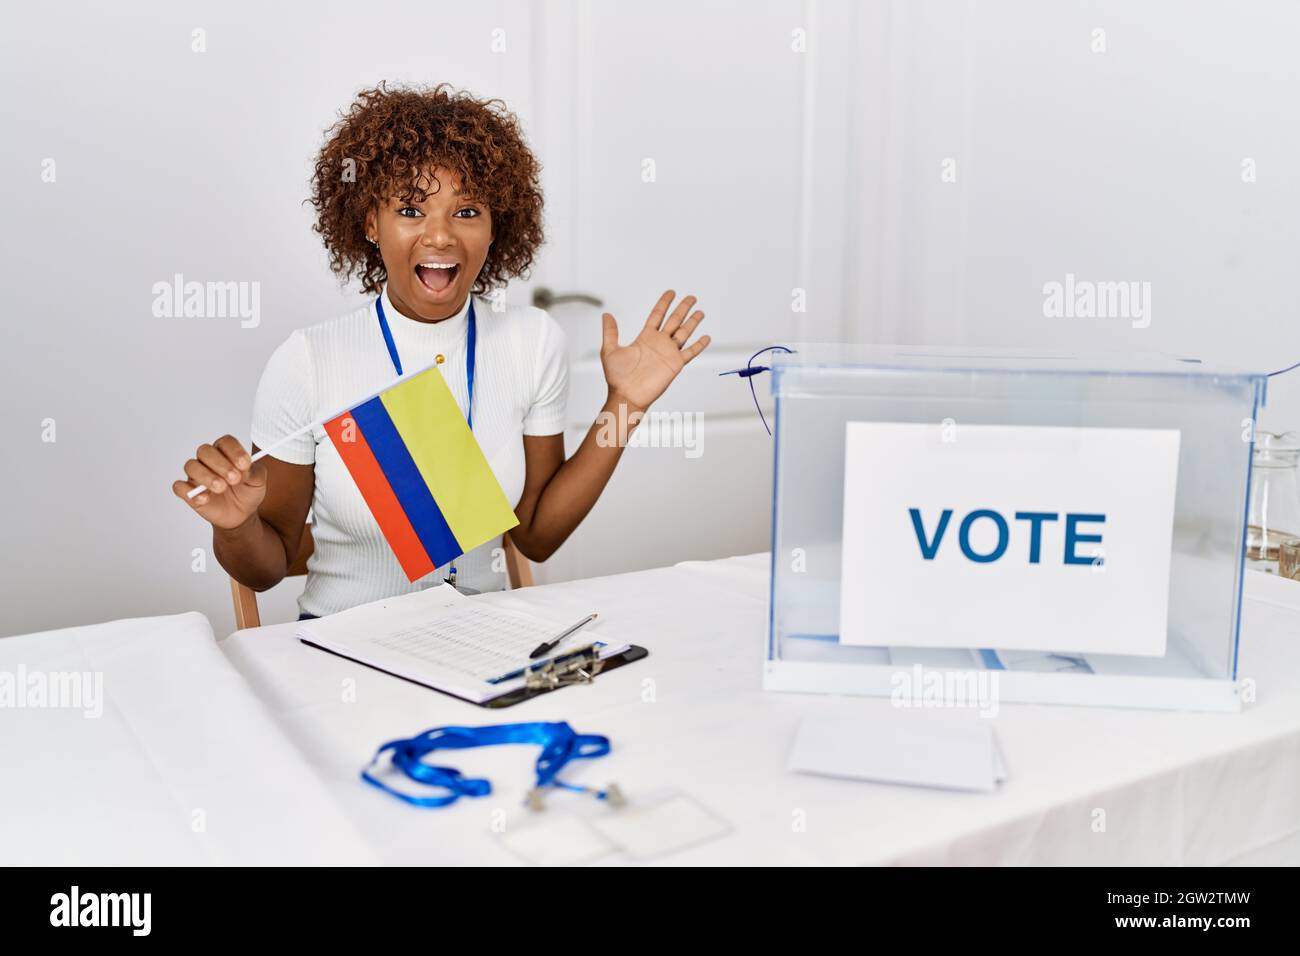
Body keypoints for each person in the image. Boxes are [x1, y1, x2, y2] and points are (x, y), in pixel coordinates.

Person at [171, 83, 709, 619]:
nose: (441, 236)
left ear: (497, 226)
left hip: (484, 640)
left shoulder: (532, 341)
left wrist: (626, 404)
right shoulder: (309, 360)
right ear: (369, 223)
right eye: (410, 209)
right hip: (344, 653)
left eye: (467, 211)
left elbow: (538, 538)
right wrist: (237, 525)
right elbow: (267, 568)